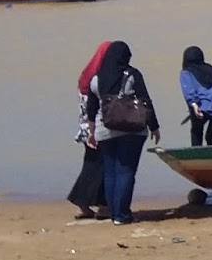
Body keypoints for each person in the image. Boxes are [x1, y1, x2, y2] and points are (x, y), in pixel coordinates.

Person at [85, 41, 160, 225]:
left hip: (106, 129)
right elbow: (145, 101)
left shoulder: (96, 79)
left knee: (110, 172)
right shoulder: (132, 74)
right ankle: (122, 214)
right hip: (132, 130)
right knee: (126, 171)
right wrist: (154, 126)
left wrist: (91, 132)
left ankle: (113, 213)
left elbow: (91, 108)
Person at [67, 42, 111, 220]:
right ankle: (99, 205)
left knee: (91, 165)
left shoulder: (86, 76)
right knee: (101, 168)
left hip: (86, 128)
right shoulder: (100, 79)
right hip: (98, 129)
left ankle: (86, 205)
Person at [180, 46, 212, 146]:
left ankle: (197, 157)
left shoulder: (186, 73)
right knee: (211, 137)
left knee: (196, 132)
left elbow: (189, 91)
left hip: (201, 109)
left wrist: (194, 105)